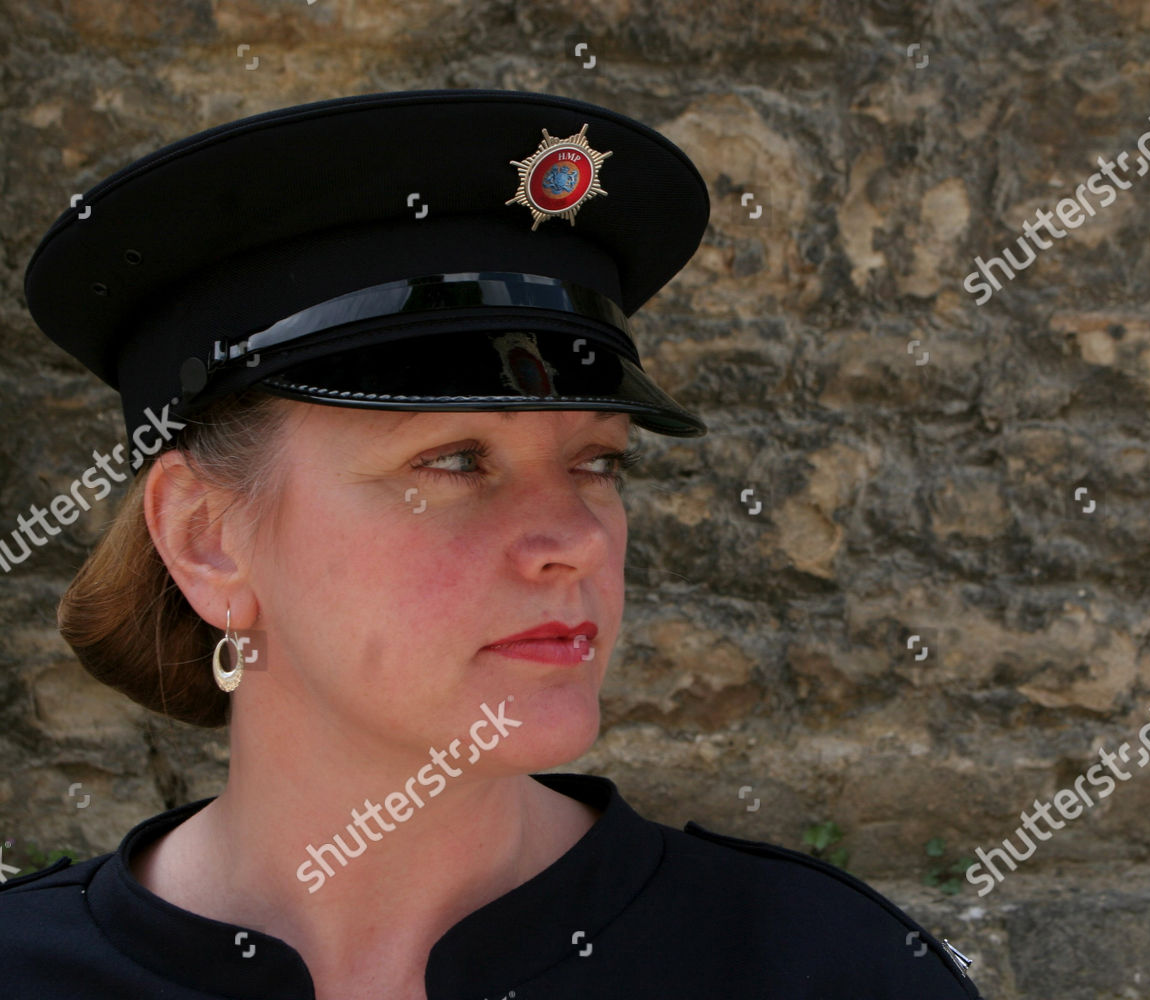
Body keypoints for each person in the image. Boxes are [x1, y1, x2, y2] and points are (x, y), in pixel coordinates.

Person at [0, 89, 982, 999]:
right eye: (457, 460)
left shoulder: (814, 971)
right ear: (206, 538)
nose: (571, 543)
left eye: (597, 460)